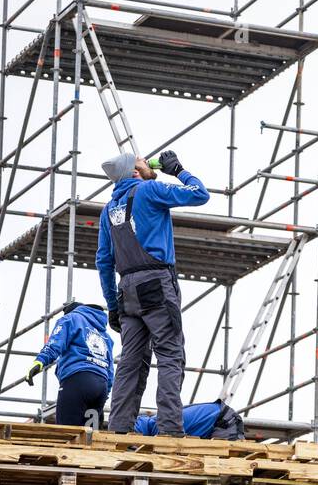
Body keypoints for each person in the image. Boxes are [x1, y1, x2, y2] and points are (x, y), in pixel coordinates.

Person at [97, 149, 210, 438]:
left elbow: (104, 261)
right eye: (141, 162)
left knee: (131, 361)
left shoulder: (109, 210)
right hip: (157, 284)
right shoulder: (150, 190)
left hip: (127, 292)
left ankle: (119, 430)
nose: (148, 163)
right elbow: (200, 194)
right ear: (134, 172)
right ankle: (171, 430)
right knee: (171, 354)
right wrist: (179, 169)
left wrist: (113, 306)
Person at [26, 301, 114, 428]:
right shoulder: (105, 336)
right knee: (90, 438)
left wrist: (39, 362)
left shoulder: (71, 318)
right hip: (101, 387)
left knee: (67, 432)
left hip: (77, 380)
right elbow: (110, 370)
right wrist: (105, 392)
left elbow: (54, 344)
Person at [134, 401, 245, 440]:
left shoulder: (161, 428)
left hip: (225, 421)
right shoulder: (159, 421)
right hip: (218, 419)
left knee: (223, 467)